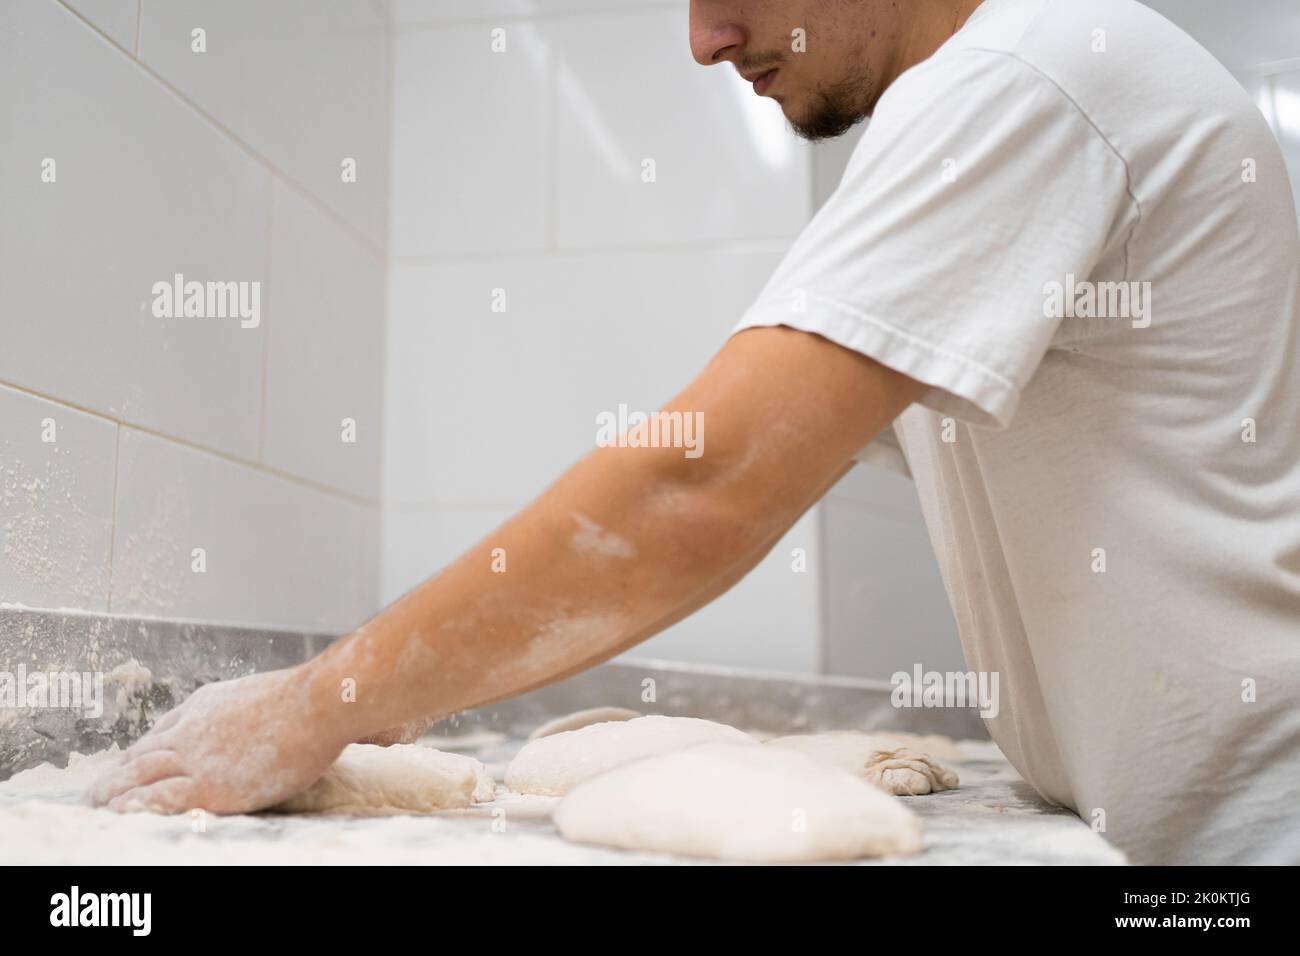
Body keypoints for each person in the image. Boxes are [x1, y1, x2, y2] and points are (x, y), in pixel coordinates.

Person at [91, 0, 1300, 866]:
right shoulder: (1008, 88)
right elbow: (738, 446)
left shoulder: (1027, 72)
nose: (701, 36)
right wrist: (410, 680)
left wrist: (315, 705)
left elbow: (699, 487)